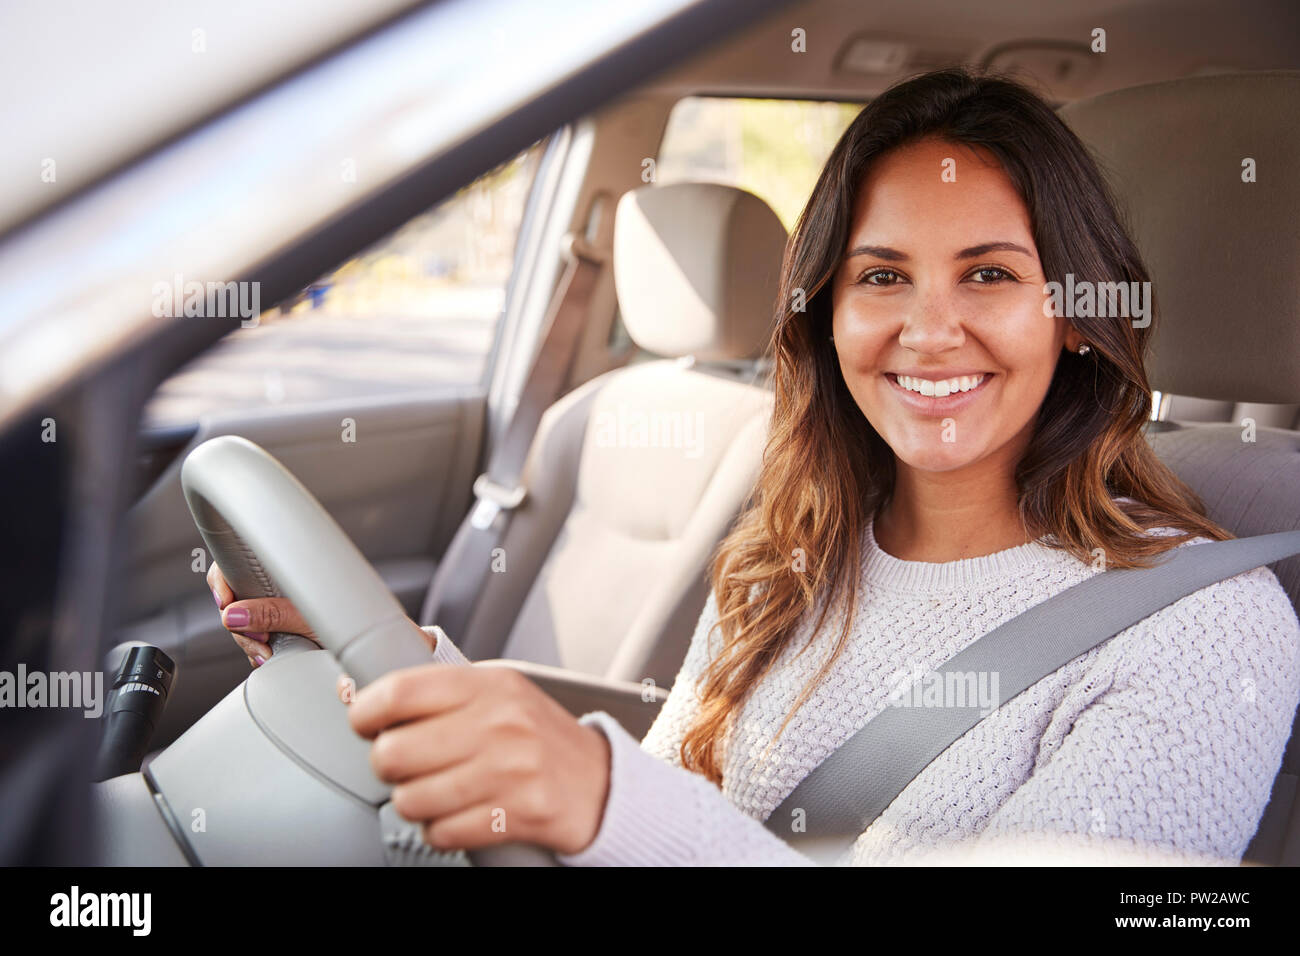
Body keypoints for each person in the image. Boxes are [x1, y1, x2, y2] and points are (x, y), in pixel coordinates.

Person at [208, 68, 1300, 865]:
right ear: (825, 310)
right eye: (881, 276)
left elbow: (642, 820)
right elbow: (679, 801)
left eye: (987, 274)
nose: (928, 331)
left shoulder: (1206, 627)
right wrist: (401, 679)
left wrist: (599, 797)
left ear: (1073, 314)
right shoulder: (788, 554)